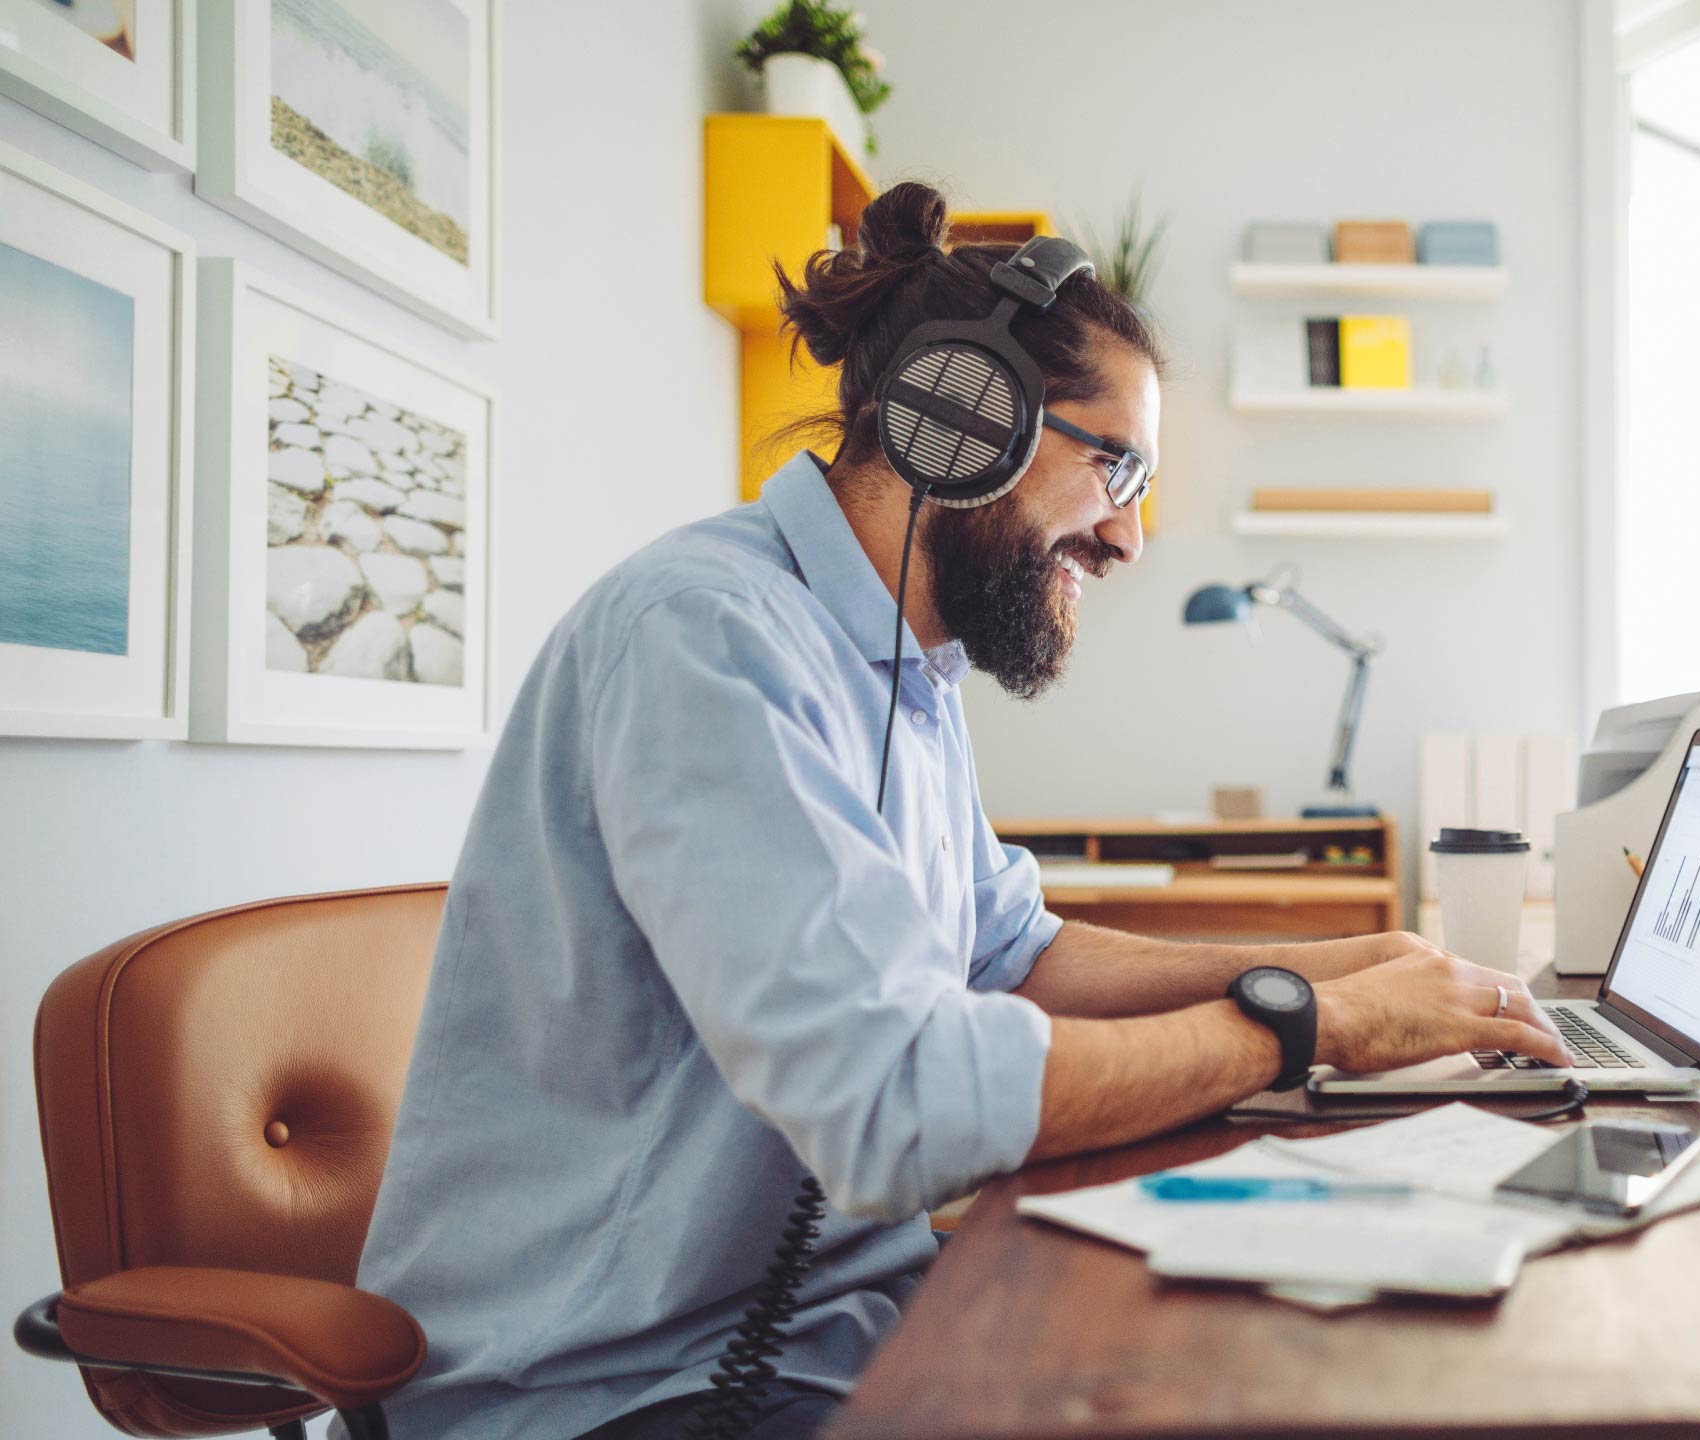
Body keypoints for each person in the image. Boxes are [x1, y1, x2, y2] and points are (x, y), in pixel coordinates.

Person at [353, 181, 1570, 1440]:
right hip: (613, 1390)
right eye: (1119, 468)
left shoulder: (905, 662)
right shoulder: (706, 640)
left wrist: (1342, 966)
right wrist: (1310, 1023)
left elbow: (1009, 954)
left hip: (846, 1327)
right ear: (960, 420)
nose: (1130, 538)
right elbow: (901, 1106)